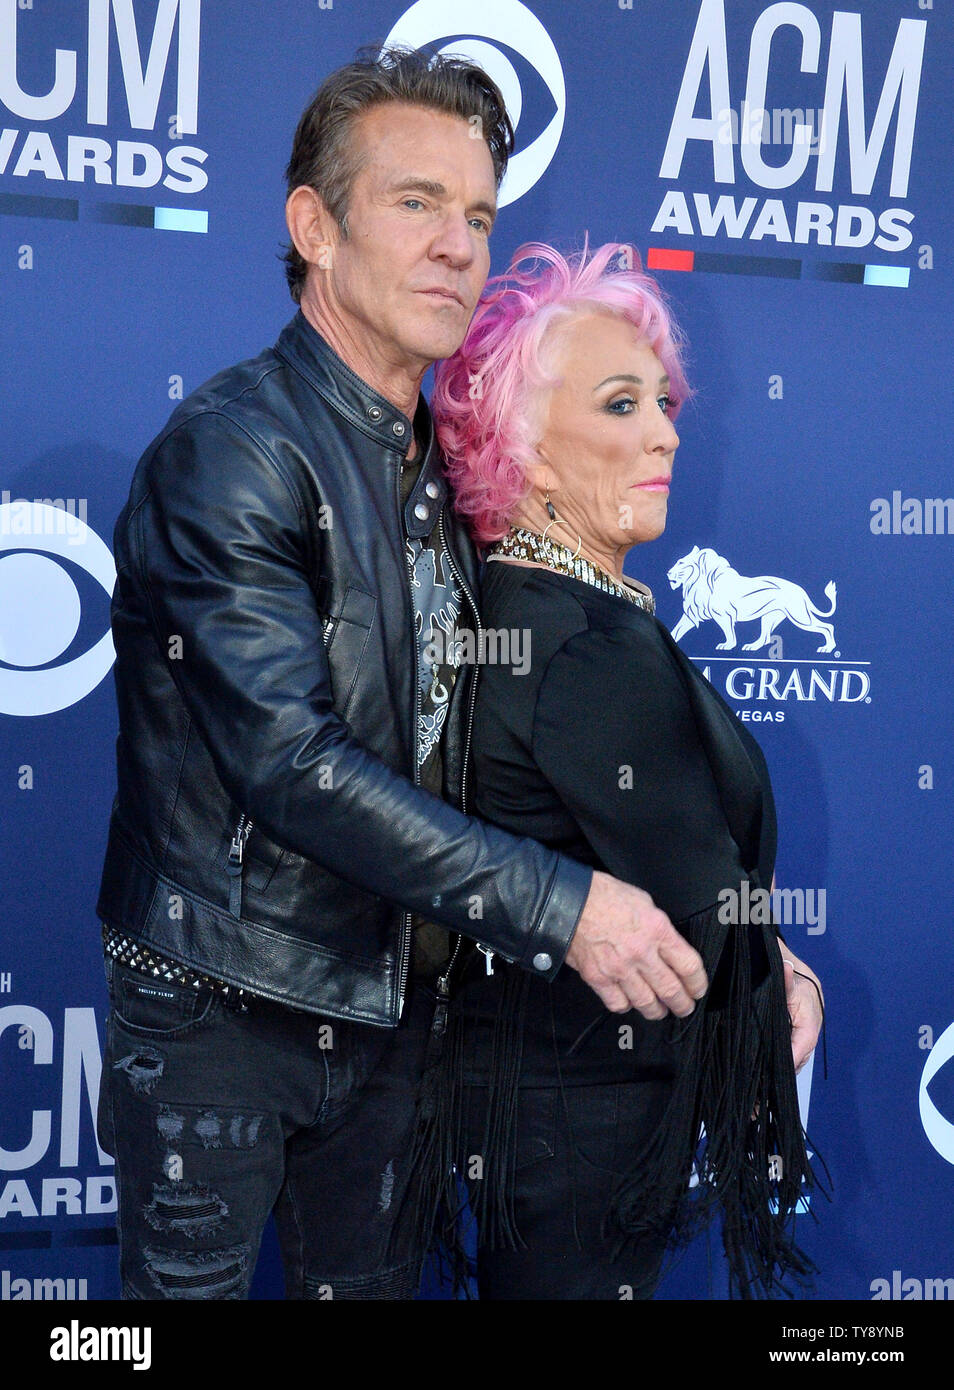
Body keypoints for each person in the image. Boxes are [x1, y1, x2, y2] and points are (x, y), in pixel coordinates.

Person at [95, 51, 711, 1302]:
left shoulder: (453, 466)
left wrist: (729, 934)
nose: (457, 246)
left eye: (478, 215)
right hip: (224, 1009)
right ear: (314, 228)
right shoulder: (234, 452)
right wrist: (562, 907)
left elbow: (516, 742)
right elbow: (292, 765)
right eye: (415, 203)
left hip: (400, 1015)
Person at [429, 240, 825, 1300]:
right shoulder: (583, 639)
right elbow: (697, 890)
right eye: (620, 405)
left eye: (665, 403)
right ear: (530, 451)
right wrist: (775, 982)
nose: (664, 432)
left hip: (546, 1111)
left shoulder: (528, 610)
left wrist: (763, 955)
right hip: (582, 1121)